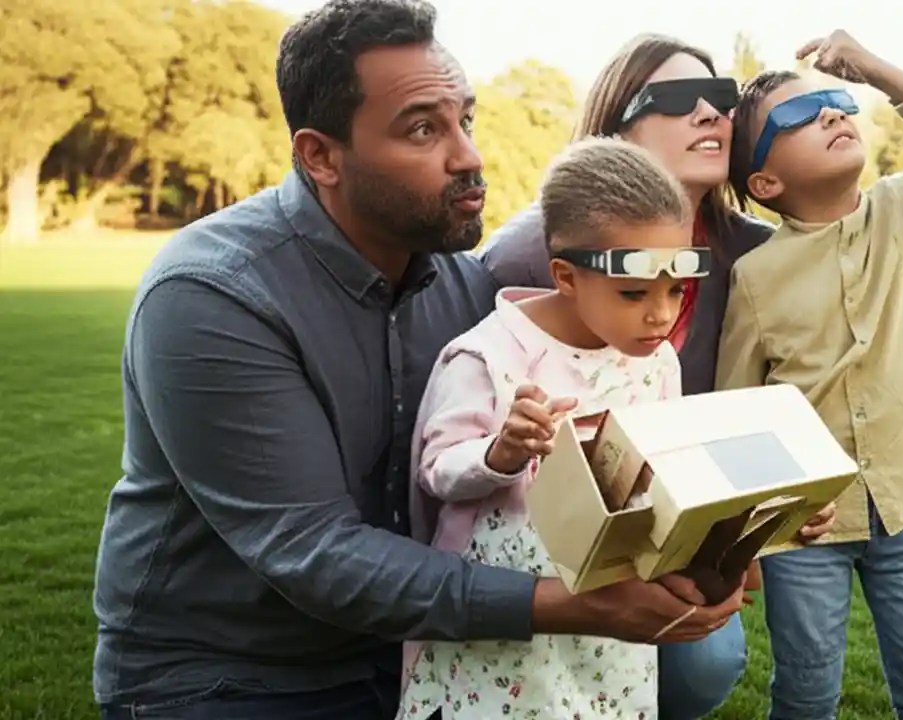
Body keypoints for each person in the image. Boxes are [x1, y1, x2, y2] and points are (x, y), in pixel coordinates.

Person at [91, 3, 740, 719]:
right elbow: (312, 552)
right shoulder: (214, 296)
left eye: (466, 119)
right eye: (423, 129)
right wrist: (577, 607)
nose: (469, 156)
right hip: (236, 674)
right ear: (320, 156)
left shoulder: (463, 286)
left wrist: (722, 533)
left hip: (422, 654)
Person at [479, 33, 837, 719]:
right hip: (544, 521)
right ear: (615, 130)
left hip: (686, 523)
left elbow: (768, 405)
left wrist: (781, 504)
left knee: (707, 660)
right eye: (676, 99)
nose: (711, 112)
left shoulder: (758, 257)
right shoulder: (525, 253)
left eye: (721, 98)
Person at [716, 28, 903, 720]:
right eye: (797, 114)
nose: (830, 113)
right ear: (765, 183)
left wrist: (882, 73)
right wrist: (764, 518)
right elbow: (737, 409)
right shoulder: (755, 278)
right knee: (806, 690)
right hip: (806, 532)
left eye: (836, 101)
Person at [400, 136, 717, 718]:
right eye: (634, 293)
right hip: (506, 635)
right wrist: (500, 453)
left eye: (677, 290)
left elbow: (667, 480)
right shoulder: (490, 356)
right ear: (566, 277)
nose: (662, 315)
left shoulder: (657, 360)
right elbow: (436, 474)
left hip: (609, 634)